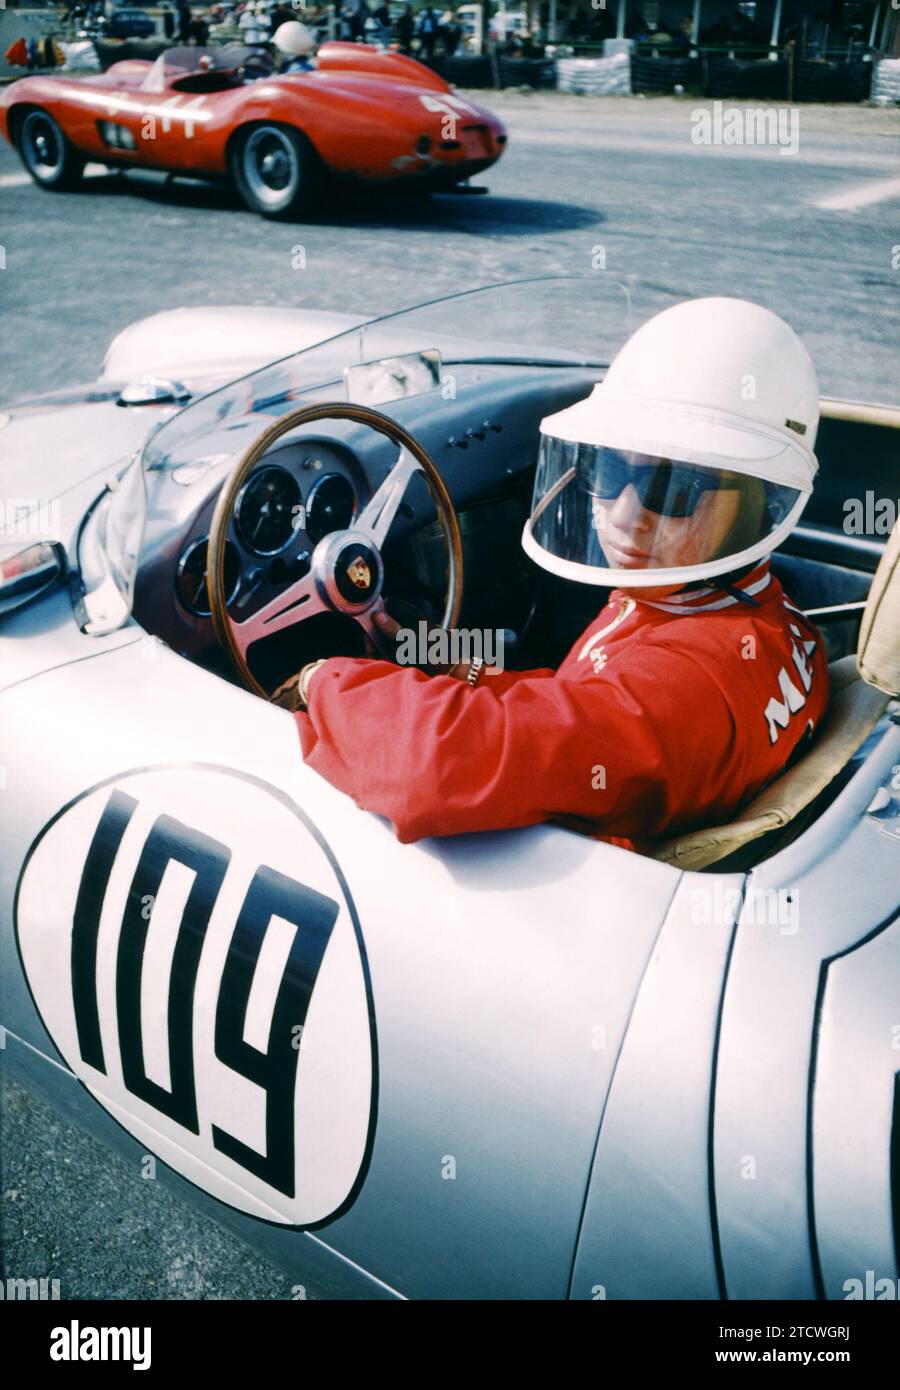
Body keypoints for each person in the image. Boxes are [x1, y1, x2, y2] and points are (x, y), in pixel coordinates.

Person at [275, 298, 829, 851]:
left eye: (673, 491)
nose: (625, 518)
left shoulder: (686, 685)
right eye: (610, 472)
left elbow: (432, 768)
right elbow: (584, 715)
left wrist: (321, 680)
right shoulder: (773, 626)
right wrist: (458, 672)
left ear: (759, 503)